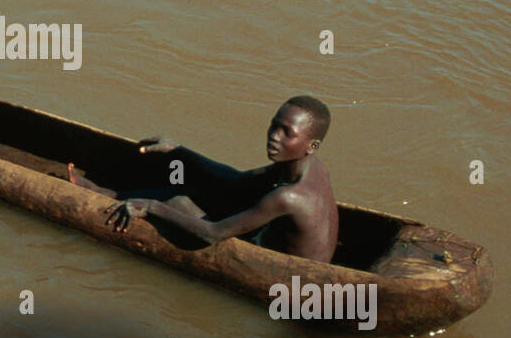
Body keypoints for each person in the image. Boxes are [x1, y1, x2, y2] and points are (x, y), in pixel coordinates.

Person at [69, 96, 338, 263]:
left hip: (286, 272)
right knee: (203, 189)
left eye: (286, 132)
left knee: (178, 200)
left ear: (310, 145)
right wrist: (179, 151)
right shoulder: (309, 167)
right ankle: (112, 195)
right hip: (277, 239)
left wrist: (150, 206)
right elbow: (236, 180)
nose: (274, 136)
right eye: (273, 125)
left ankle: (102, 198)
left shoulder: (289, 196)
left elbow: (213, 234)